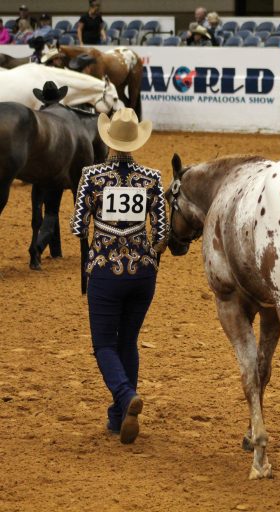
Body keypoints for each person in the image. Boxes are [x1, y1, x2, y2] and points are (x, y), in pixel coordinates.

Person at [70, 106, 165, 445]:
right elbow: (162, 230)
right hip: (143, 273)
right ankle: (117, 417)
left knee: (104, 344)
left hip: (105, 271)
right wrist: (147, 254)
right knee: (127, 341)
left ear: (108, 141)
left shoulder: (91, 176)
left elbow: (78, 226)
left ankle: (126, 396)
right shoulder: (152, 177)